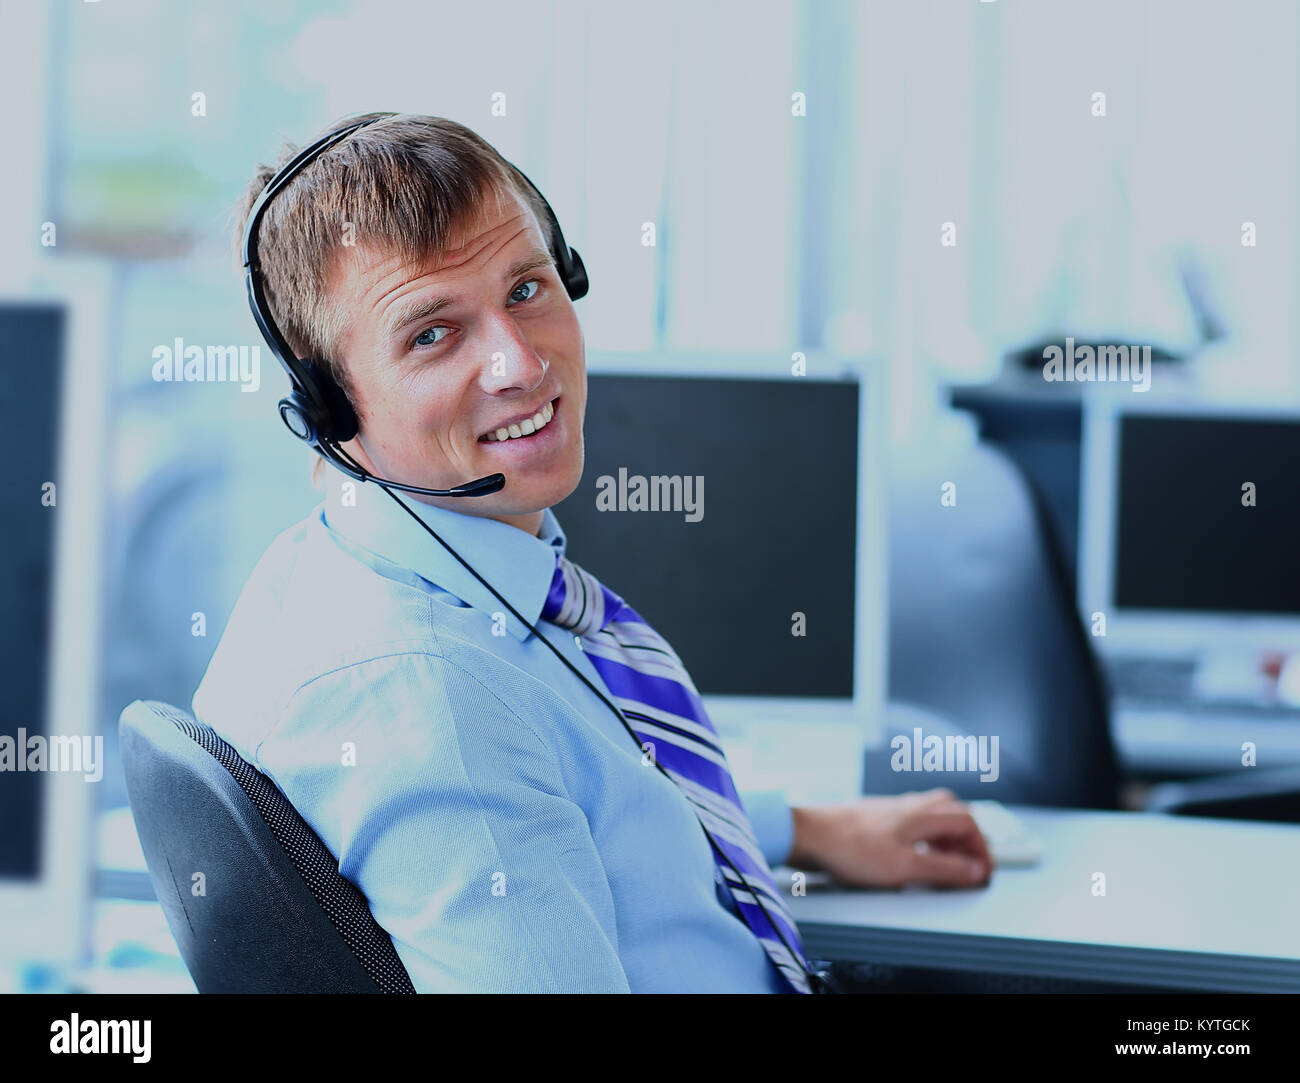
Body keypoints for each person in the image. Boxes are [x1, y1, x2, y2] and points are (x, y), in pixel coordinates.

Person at [194, 111, 992, 993]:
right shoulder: (432, 702)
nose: (519, 364)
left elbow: (591, 805)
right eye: (431, 334)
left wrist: (801, 828)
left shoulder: (342, 570)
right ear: (331, 411)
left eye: (527, 288)